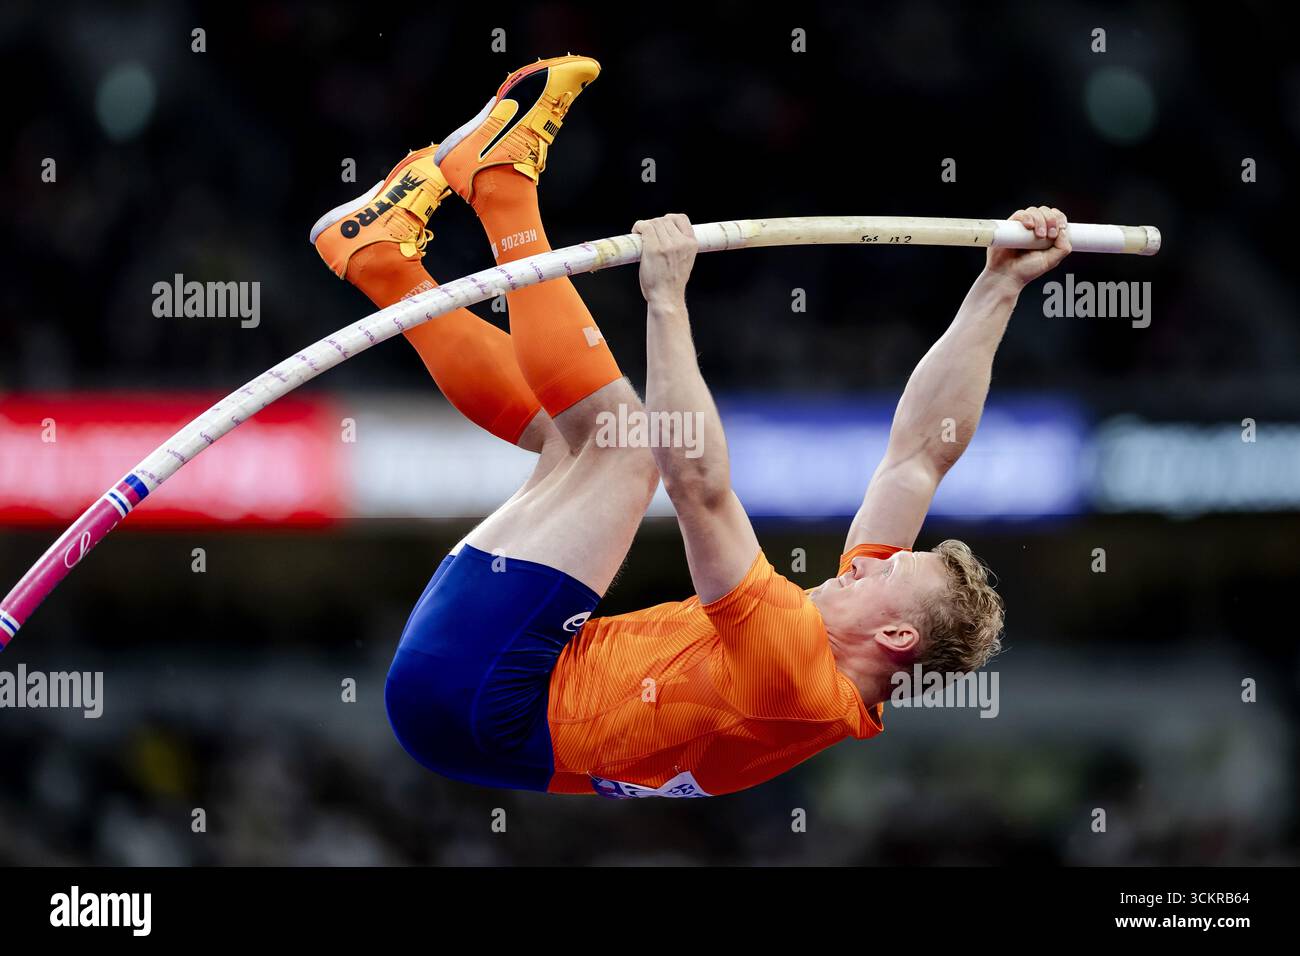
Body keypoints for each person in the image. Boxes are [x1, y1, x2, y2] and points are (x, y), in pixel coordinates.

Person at [311, 54, 1071, 798]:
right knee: (569, 438)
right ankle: (380, 260)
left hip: (480, 696)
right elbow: (917, 459)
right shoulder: (847, 648)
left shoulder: (793, 675)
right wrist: (997, 287)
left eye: (891, 570)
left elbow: (697, 485)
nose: (869, 561)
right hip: (485, 702)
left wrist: (666, 297)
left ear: (896, 637)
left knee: (626, 450)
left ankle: (500, 182)